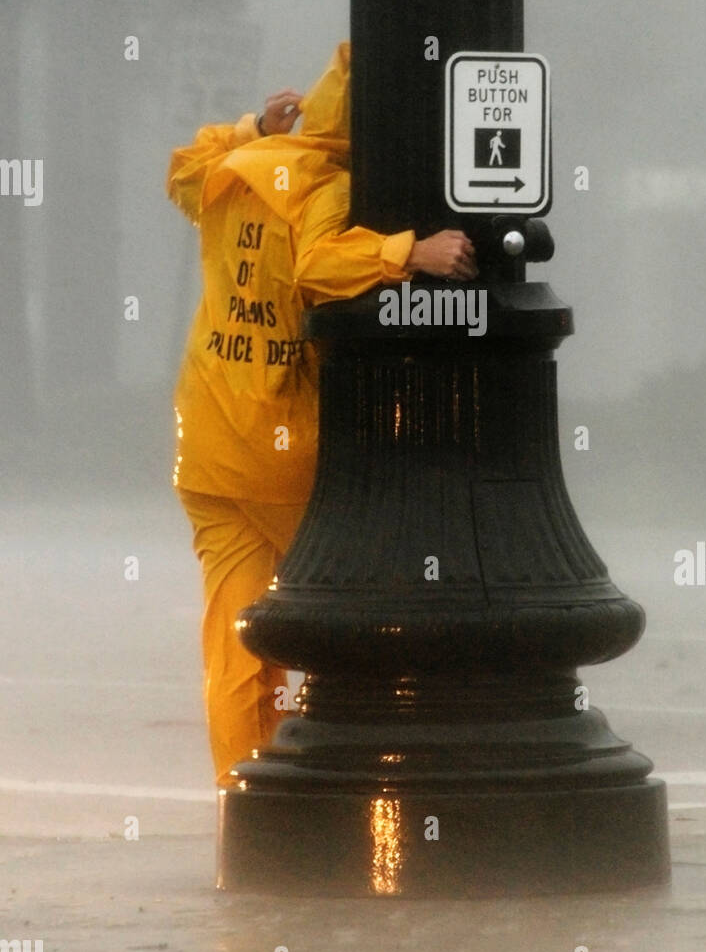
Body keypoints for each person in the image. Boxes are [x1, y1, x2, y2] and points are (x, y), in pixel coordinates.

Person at [167, 41, 476, 786]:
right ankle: (351, 780)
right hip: (289, 456)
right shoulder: (327, 184)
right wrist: (413, 252)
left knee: (238, 647)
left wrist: (252, 127)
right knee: (354, 624)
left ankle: (243, 803)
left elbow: (182, 170)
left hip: (209, 447)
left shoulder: (239, 168)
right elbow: (319, 265)